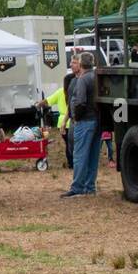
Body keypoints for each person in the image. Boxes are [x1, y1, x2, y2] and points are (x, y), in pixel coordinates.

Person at [61, 52, 100, 198]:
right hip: (97, 121)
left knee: (79, 155)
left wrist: (76, 116)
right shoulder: (96, 77)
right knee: (93, 156)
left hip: (84, 121)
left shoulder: (82, 80)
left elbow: (80, 101)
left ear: (81, 64)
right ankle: (90, 187)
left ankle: (77, 187)